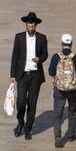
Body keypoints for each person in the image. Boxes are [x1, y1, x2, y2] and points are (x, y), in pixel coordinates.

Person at [10, 11, 48, 140]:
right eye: (29, 26)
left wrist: (40, 59)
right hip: (22, 75)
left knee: (32, 103)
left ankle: (28, 128)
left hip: (35, 75)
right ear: (26, 25)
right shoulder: (19, 37)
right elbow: (15, 56)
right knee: (21, 102)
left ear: (36, 26)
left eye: (33, 26)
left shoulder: (42, 38)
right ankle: (20, 123)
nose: (31, 28)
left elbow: (45, 54)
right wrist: (12, 74)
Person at [48, 33, 76, 146]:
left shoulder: (56, 57)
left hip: (59, 89)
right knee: (72, 112)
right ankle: (71, 134)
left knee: (58, 113)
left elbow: (50, 72)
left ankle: (58, 137)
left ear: (62, 43)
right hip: (73, 90)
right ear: (71, 44)